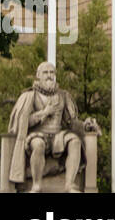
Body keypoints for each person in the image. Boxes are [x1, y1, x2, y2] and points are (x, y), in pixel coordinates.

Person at [6, 62, 98, 193]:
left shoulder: (63, 96)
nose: (49, 76)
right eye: (45, 72)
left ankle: (69, 185)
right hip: (38, 134)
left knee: (75, 141)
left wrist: (85, 125)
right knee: (38, 145)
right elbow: (24, 123)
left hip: (58, 136)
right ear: (38, 75)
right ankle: (37, 185)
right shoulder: (29, 96)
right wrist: (44, 113)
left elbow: (71, 122)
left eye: (52, 72)